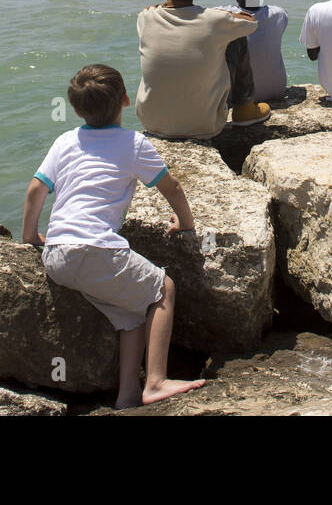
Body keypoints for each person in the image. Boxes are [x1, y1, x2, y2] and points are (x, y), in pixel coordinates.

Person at [22, 64, 206, 408]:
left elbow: (35, 190)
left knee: (130, 314)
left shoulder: (65, 141)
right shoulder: (133, 143)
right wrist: (186, 224)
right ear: (125, 99)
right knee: (163, 288)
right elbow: (173, 187)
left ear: (76, 111)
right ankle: (156, 381)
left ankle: (127, 396)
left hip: (58, 256)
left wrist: (31, 237)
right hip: (97, 249)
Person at [136, 0, 270, 138]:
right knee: (236, 36)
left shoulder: (145, 18)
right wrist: (225, 15)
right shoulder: (215, 20)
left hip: (152, 121)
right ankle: (244, 109)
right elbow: (252, 23)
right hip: (205, 125)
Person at [214, 0, 289, 101]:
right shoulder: (279, 14)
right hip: (278, 90)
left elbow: (205, 15)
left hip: (246, 96)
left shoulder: (226, 16)